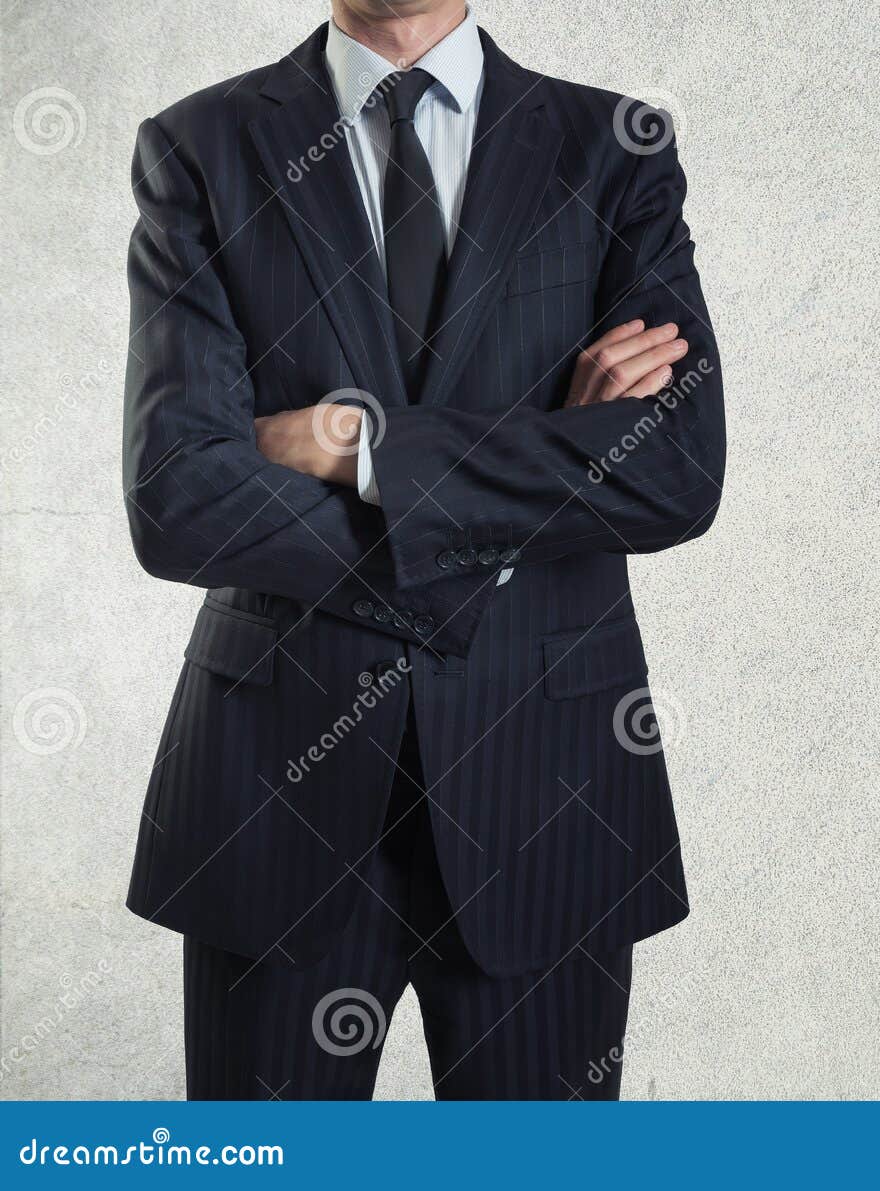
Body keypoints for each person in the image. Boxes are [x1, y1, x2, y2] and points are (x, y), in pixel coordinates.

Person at [121, 0, 723, 1100]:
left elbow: (671, 471)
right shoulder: (200, 146)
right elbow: (180, 499)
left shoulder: (611, 148)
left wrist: (355, 445)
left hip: (548, 788)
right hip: (275, 791)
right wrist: (541, 462)